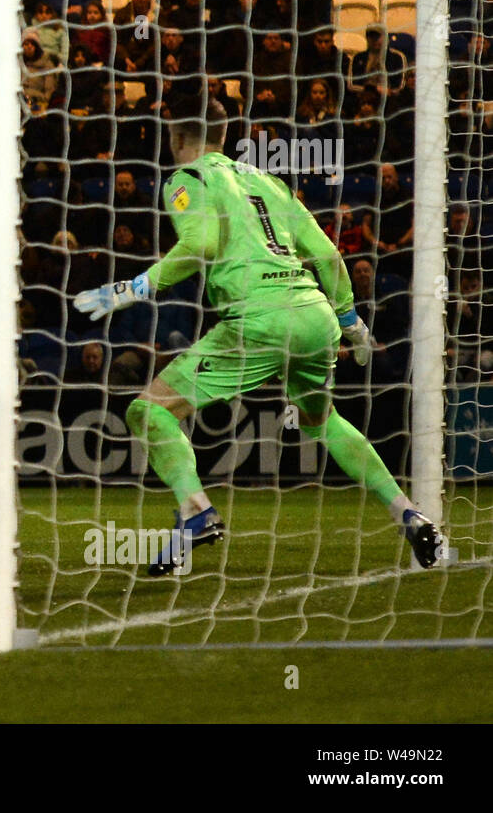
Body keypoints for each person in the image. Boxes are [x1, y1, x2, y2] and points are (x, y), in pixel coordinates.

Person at [74, 150, 441, 575]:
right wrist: (351, 321)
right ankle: (409, 514)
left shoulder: (188, 177)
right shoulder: (269, 182)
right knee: (321, 422)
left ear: (176, 135)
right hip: (315, 317)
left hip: (258, 321)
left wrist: (129, 289)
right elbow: (327, 255)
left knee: (148, 411)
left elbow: (199, 244)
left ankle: (196, 512)